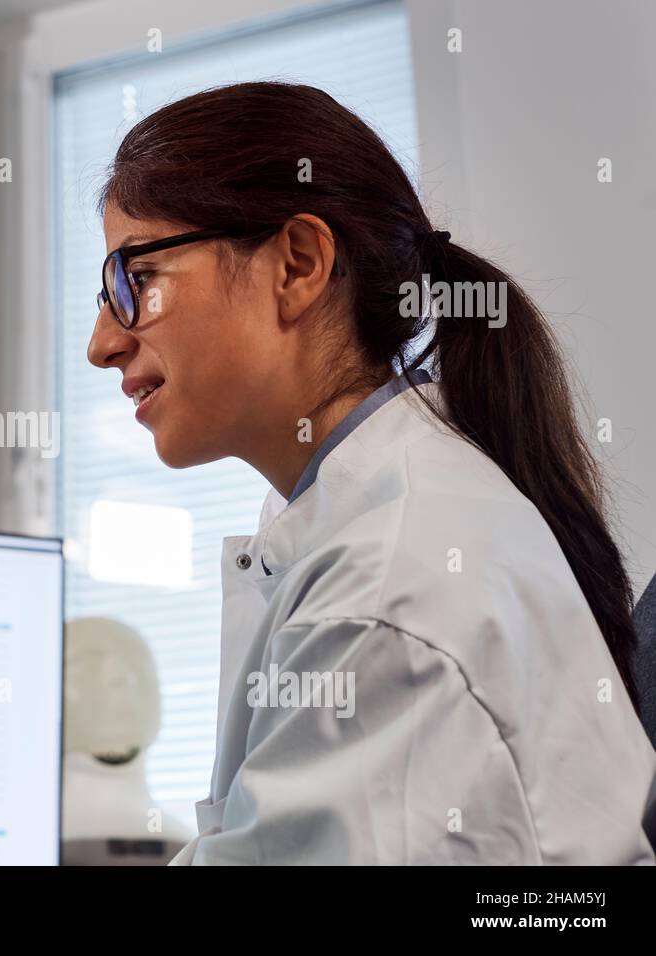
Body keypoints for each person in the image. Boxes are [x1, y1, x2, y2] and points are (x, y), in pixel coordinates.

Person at [86, 81, 656, 864]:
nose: (102, 343)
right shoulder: (369, 516)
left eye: (135, 282)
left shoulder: (389, 586)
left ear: (298, 264)